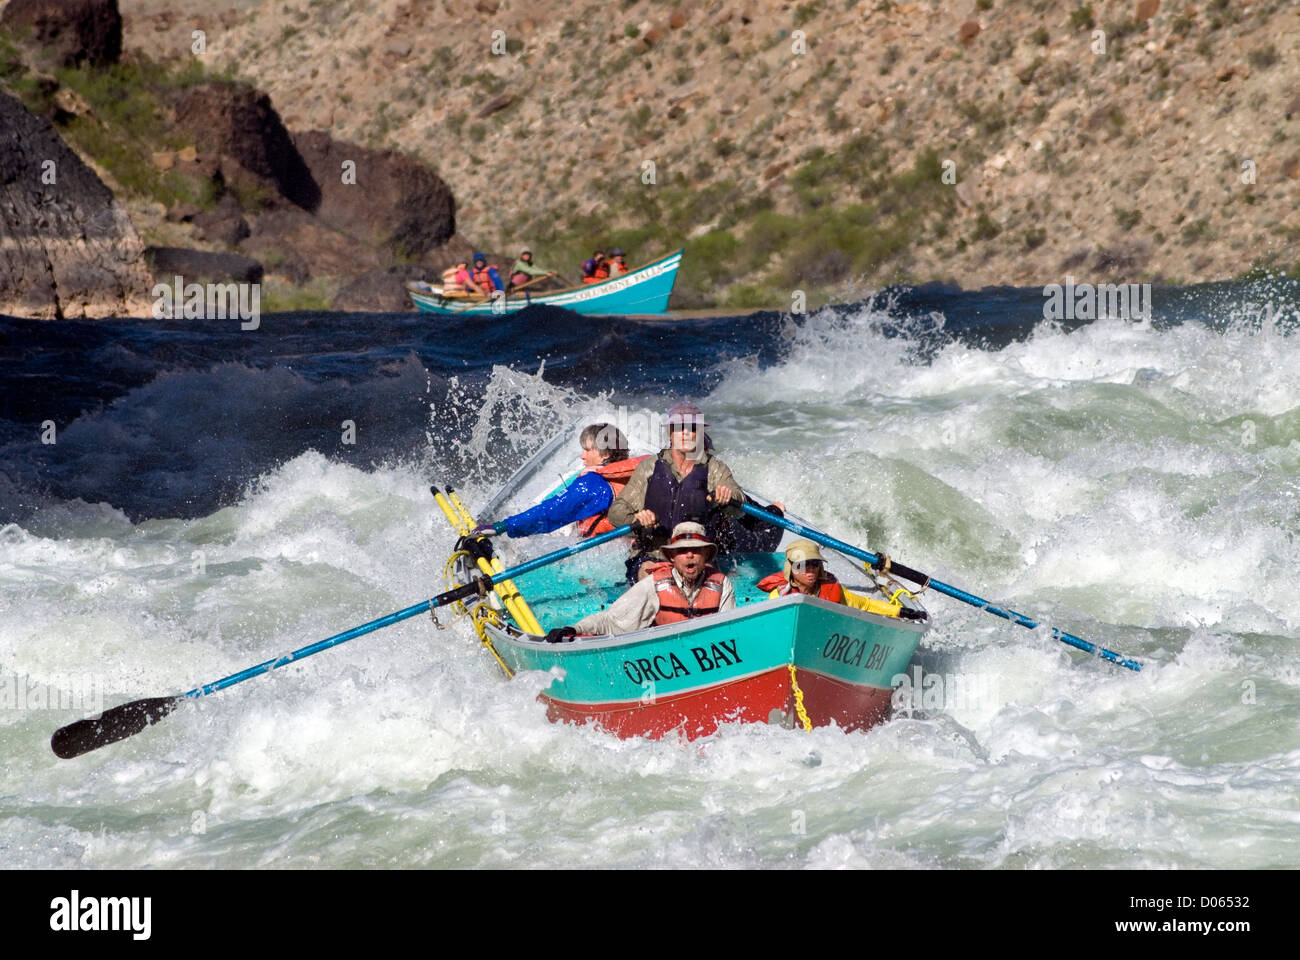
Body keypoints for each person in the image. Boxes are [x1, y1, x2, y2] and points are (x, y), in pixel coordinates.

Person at [604, 401, 747, 580]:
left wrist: (728, 498)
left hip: (698, 557)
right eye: (680, 428)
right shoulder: (649, 467)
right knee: (654, 583)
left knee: (706, 589)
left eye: (693, 428)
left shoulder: (715, 469)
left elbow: (740, 506)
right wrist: (636, 518)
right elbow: (616, 513)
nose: (686, 433)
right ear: (670, 432)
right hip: (655, 556)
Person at [543, 522, 735, 641]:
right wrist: (575, 628)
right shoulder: (654, 584)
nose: (690, 555)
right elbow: (611, 621)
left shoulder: (722, 583)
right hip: (666, 661)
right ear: (672, 558)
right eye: (682, 550)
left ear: (707, 555)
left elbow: (731, 631)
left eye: (697, 550)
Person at [470, 424, 641, 539]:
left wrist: (503, 527)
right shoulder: (633, 474)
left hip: (606, 553)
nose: (582, 456)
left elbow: (551, 512)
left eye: (587, 450)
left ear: (606, 455)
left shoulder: (594, 485)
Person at [758, 539, 903, 616]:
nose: (810, 570)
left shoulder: (833, 590)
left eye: (815, 563)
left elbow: (865, 605)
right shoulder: (778, 596)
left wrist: (898, 611)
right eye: (803, 565)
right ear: (791, 568)